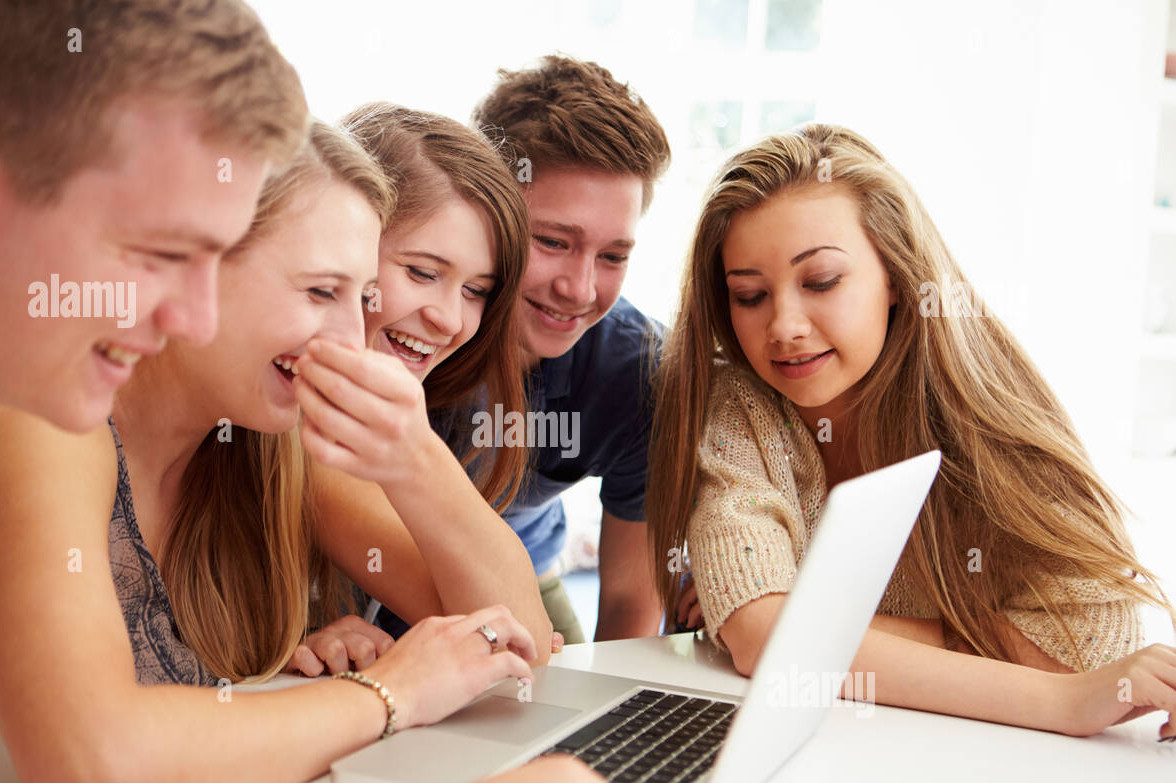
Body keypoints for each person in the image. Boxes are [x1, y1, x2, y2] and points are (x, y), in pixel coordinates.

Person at [0, 0, 631, 783]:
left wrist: (415, 455)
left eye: (361, 295)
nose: (356, 338)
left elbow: (514, 627)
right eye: (320, 292)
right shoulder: (35, 423)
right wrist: (387, 701)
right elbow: (98, 768)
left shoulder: (267, 442)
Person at [647, 123, 1176, 739]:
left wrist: (805, 621)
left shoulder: (986, 405)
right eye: (749, 295)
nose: (784, 325)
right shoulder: (739, 406)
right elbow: (765, 639)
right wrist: (1053, 696)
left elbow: (1090, 644)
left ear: (895, 275)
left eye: (821, 282)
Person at [285, 103, 555, 675]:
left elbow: (518, 637)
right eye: (424, 273)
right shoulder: (292, 417)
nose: (450, 320)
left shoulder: (381, 414)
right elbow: (515, 635)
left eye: (477, 290)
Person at [453, 55, 674, 645]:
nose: (579, 289)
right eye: (553, 241)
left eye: (613, 256)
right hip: (365, 575)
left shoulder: (638, 373)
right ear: (483, 211)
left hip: (526, 570)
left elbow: (630, 603)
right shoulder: (408, 326)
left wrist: (610, 724)